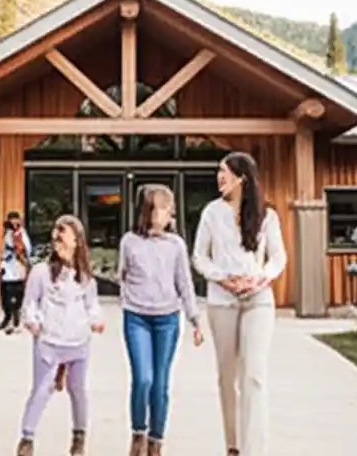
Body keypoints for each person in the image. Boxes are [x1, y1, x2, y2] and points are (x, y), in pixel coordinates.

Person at [191, 152, 288, 456]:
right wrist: (222, 278)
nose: (218, 177)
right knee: (227, 376)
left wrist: (260, 278)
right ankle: (232, 446)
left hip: (258, 300)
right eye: (218, 171)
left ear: (241, 177)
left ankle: (254, 449)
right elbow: (199, 256)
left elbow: (279, 258)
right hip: (222, 302)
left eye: (224, 172)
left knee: (254, 375)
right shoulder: (211, 213)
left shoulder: (267, 216)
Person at [120, 183, 204, 456]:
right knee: (143, 379)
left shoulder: (176, 245)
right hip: (137, 318)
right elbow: (123, 275)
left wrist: (195, 319)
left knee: (161, 383)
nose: (169, 213)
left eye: (170, 208)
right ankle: (138, 434)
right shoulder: (129, 242)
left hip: (167, 320)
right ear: (148, 211)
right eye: (164, 207)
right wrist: (131, 300)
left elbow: (184, 283)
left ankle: (156, 441)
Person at [16, 214, 105, 456]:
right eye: (55, 232)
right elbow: (30, 303)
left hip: (78, 342)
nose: (57, 236)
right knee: (41, 389)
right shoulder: (41, 273)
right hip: (49, 341)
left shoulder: (85, 277)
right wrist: (32, 321)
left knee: (78, 390)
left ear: (77, 240)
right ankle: (27, 438)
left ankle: (79, 438)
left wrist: (96, 321)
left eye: (63, 232)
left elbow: (92, 306)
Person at [0, 211, 33, 334]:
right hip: (6, 266)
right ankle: (7, 317)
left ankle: (15, 320)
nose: (13, 222)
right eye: (11, 219)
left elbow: (27, 249)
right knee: (5, 294)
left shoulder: (21, 233)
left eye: (15, 219)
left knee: (15, 295)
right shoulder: (7, 232)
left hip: (18, 266)